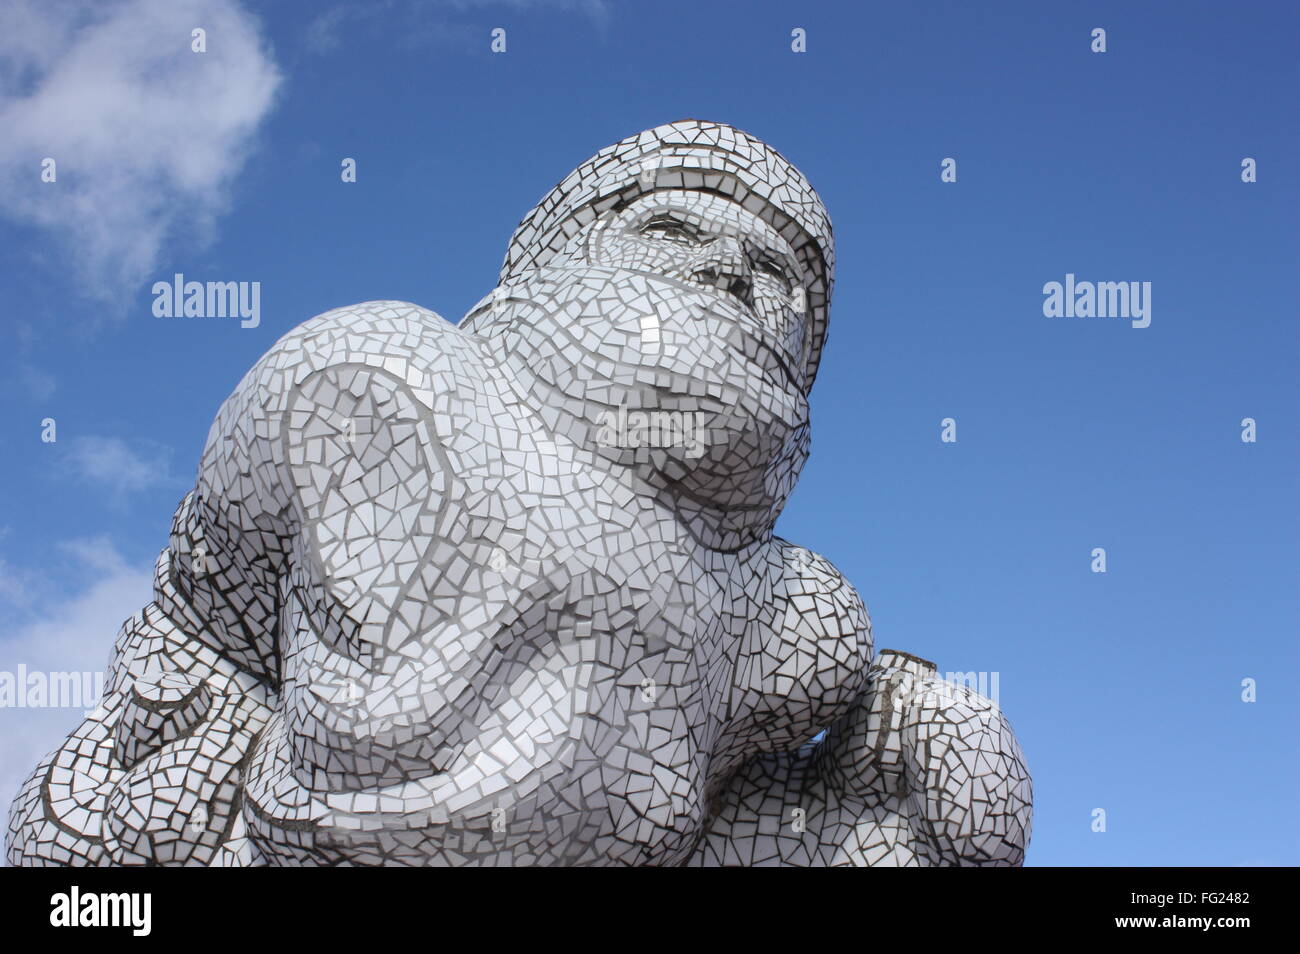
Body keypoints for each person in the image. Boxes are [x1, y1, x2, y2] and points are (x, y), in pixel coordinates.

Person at [6, 120, 1030, 866]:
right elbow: (202, 626)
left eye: (777, 273)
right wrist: (146, 828)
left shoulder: (798, 614)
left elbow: (736, 818)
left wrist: (908, 764)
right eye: (676, 228)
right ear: (564, 248)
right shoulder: (377, 373)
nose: (730, 271)